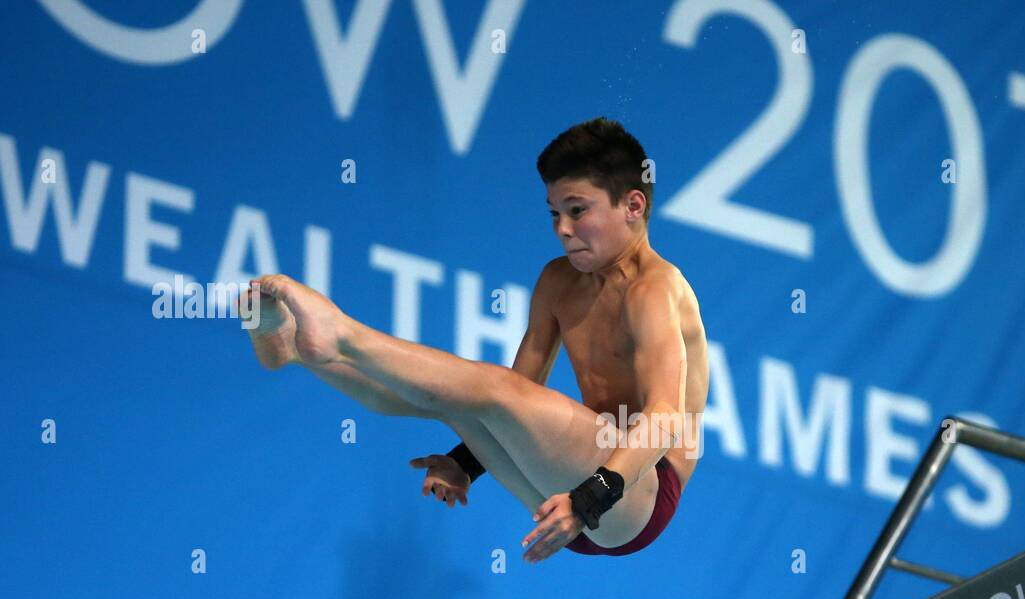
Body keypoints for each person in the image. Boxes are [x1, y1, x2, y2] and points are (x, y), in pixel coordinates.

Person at [244, 117, 708, 563]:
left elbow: (665, 415)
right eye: (554, 213)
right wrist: (465, 463)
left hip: (638, 491)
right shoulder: (558, 281)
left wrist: (590, 500)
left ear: (633, 206)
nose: (562, 229)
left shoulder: (655, 288)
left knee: (490, 390)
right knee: (457, 401)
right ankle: (296, 352)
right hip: (569, 502)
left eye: (577, 210)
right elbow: (517, 392)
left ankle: (343, 335)